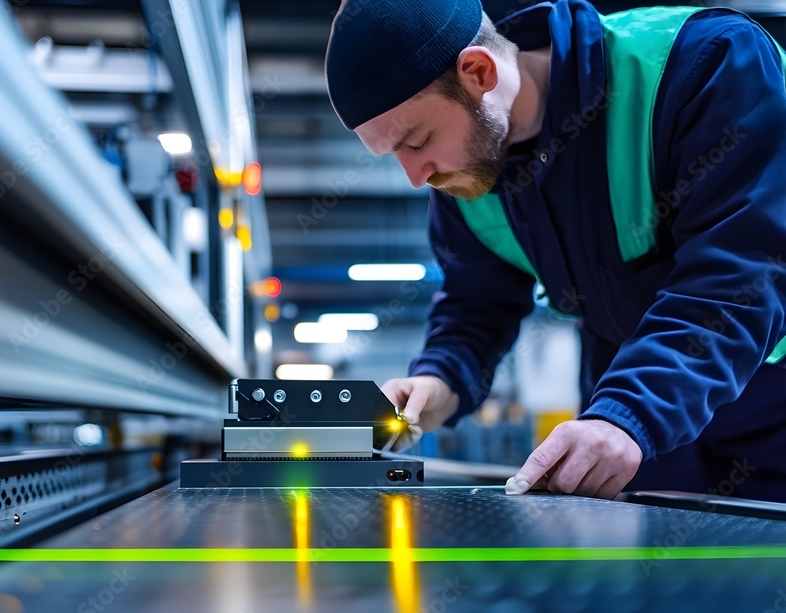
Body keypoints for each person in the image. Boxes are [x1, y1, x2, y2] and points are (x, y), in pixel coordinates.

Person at [325, 0, 786, 501]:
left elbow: (741, 277)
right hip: (645, 421)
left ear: (477, 71)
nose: (416, 178)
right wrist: (439, 379)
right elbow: (476, 303)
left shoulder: (703, 62)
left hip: (767, 398)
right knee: (669, 573)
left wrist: (629, 412)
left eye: (416, 141)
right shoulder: (468, 170)